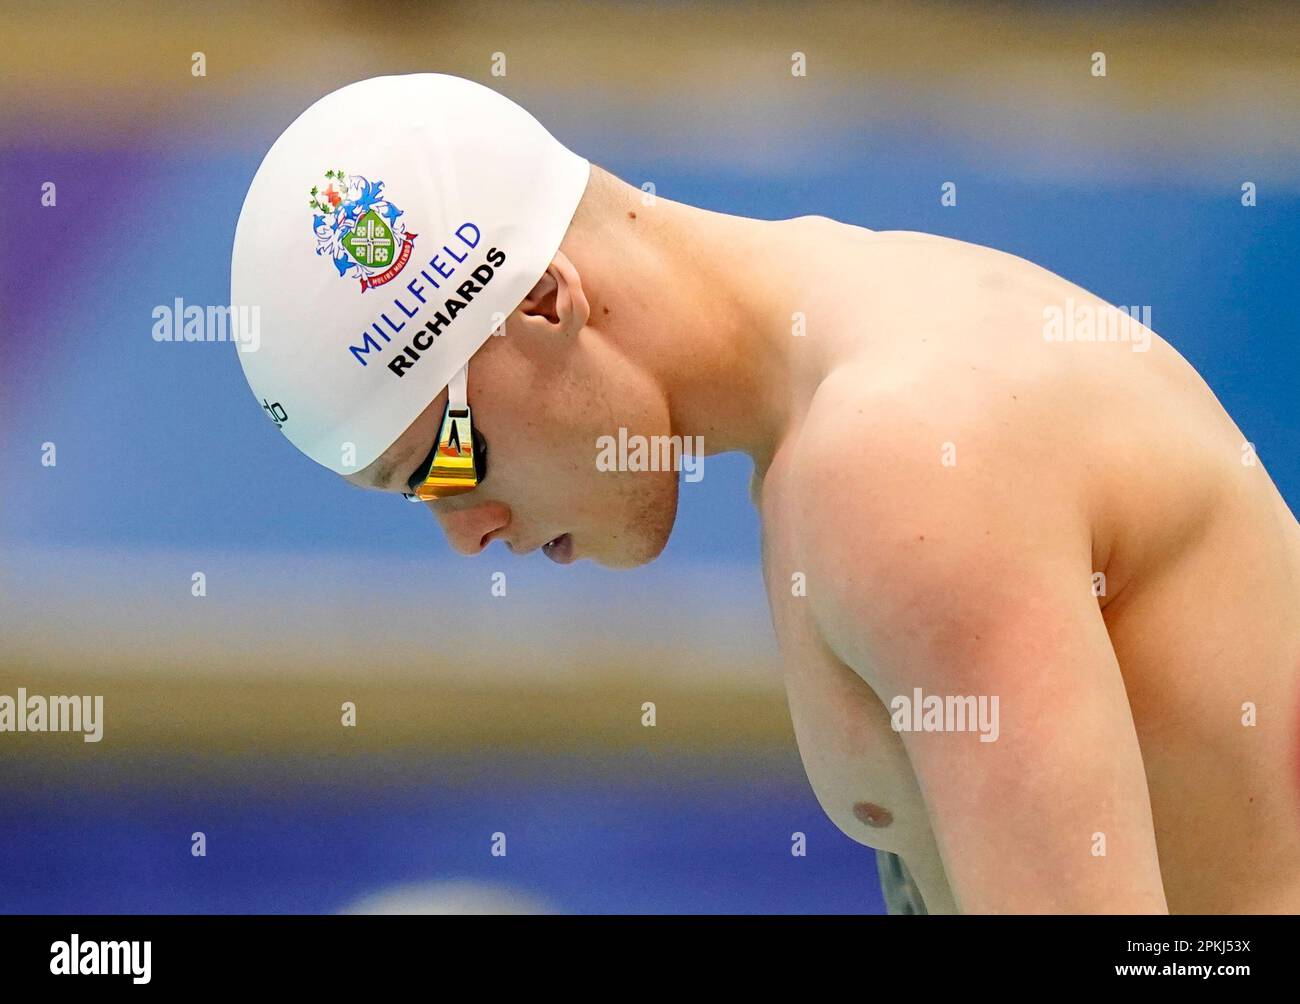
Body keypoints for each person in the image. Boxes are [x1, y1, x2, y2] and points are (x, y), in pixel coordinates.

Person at [232, 73, 1300, 914]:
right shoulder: (852, 387)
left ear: (545, 303)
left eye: (443, 466)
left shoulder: (898, 449)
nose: (466, 534)